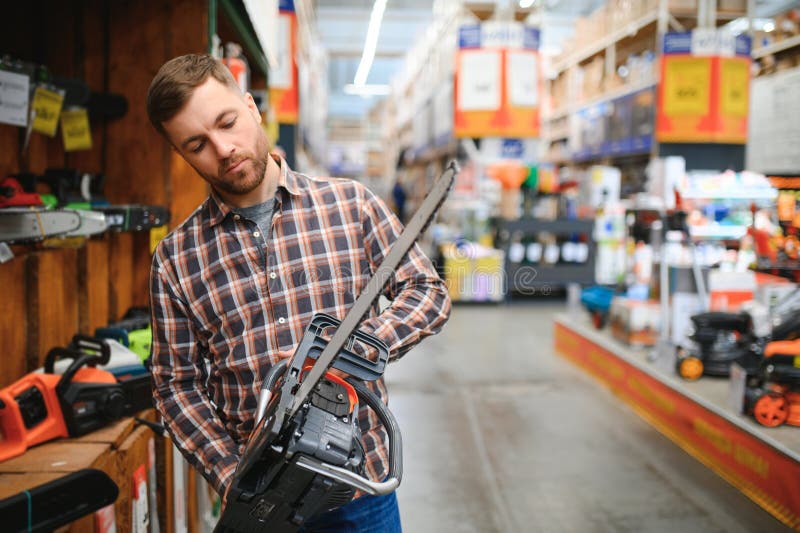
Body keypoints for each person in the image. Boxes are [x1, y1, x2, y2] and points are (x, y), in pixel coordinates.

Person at [145, 54, 451, 531]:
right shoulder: (175, 260)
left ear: (251, 106)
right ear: (181, 154)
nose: (224, 149)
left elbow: (426, 289)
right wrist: (233, 478)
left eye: (227, 122)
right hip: (262, 505)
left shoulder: (350, 205)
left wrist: (360, 347)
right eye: (197, 144)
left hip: (358, 490)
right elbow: (174, 385)